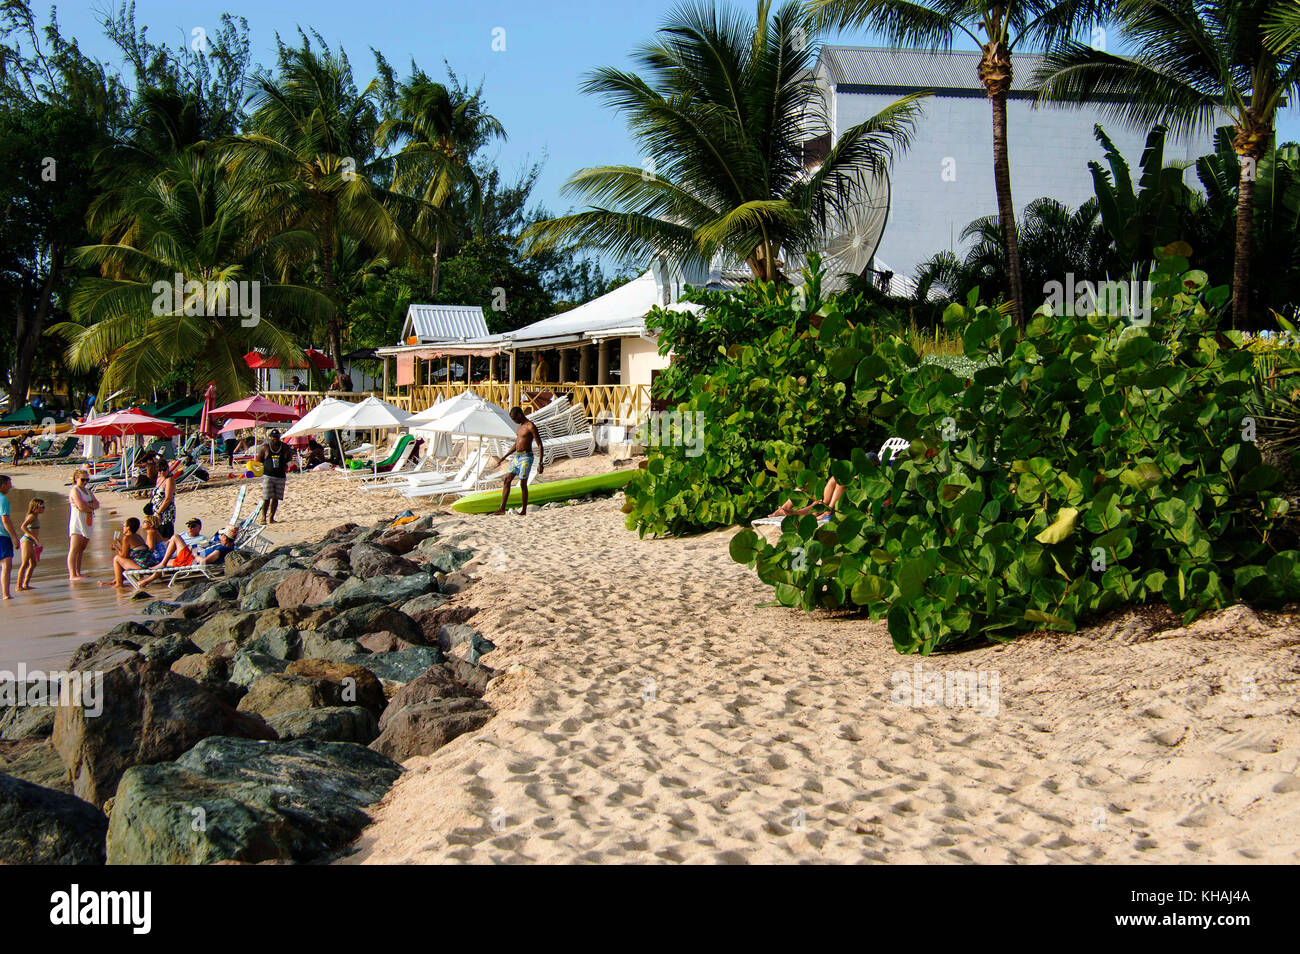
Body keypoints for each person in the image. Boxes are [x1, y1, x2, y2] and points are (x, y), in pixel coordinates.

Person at [492, 407, 544, 516]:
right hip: (517, 457)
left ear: (520, 414)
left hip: (526, 457)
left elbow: (539, 444)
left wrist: (540, 463)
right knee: (507, 479)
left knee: (523, 483)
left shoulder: (530, 426)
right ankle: (501, 508)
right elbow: (516, 444)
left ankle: (524, 510)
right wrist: (504, 457)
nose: (514, 421)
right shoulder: (519, 427)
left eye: (515, 418)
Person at [100, 516, 154, 587]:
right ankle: (115, 580)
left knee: (116, 558)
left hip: (142, 565)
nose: (123, 527)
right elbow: (131, 553)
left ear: (128, 528)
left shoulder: (126, 537)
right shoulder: (138, 536)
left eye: (124, 526)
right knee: (123, 559)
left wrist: (116, 547)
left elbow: (124, 556)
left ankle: (118, 583)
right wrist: (120, 546)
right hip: (150, 562)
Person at [257, 428, 294, 524]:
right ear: (270, 438)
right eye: (273, 437)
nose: (275, 439)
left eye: (277, 437)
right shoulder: (265, 447)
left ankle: (271, 518)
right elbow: (259, 459)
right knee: (266, 497)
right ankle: (263, 518)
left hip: (280, 476)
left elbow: (288, 458)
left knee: (276, 498)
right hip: (268, 475)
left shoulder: (285, 447)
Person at [67, 468, 99, 580]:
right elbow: (81, 506)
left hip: (88, 521)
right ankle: (72, 574)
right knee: (74, 548)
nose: (85, 482)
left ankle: (78, 572)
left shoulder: (88, 491)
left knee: (82, 548)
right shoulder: (75, 490)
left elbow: (97, 504)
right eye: (83, 480)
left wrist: (88, 506)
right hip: (77, 521)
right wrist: (89, 506)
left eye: (87, 480)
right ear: (76, 479)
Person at [16, 497, 44, 590]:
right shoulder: (31, 516)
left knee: (33, 564)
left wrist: (35, 542)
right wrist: (33, 537)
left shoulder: (35, 516)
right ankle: (18, 586)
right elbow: (23, 527)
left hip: (31, 541)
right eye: (42, 506)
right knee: (24, 563)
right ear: (35, 507)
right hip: (26, 540)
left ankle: (25, 584)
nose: (44, 508)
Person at [146, 458, 176, 538]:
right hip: (156, 511)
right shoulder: (159, 479)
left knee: (165, 535)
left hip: (165, 512)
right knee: (156, 535)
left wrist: (159, 512)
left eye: (164, 470)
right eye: (160, 470)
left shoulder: (169, 480)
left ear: (167, 469)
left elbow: (168, 499)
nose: (162, 472)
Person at [0, 475, 15, 598]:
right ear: (3, 485)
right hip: (2, 536)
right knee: (6, 564)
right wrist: (14, 537)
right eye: (9, 483)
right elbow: (5, 519)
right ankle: (6, 593)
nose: (11, 486)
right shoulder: (3, 499)